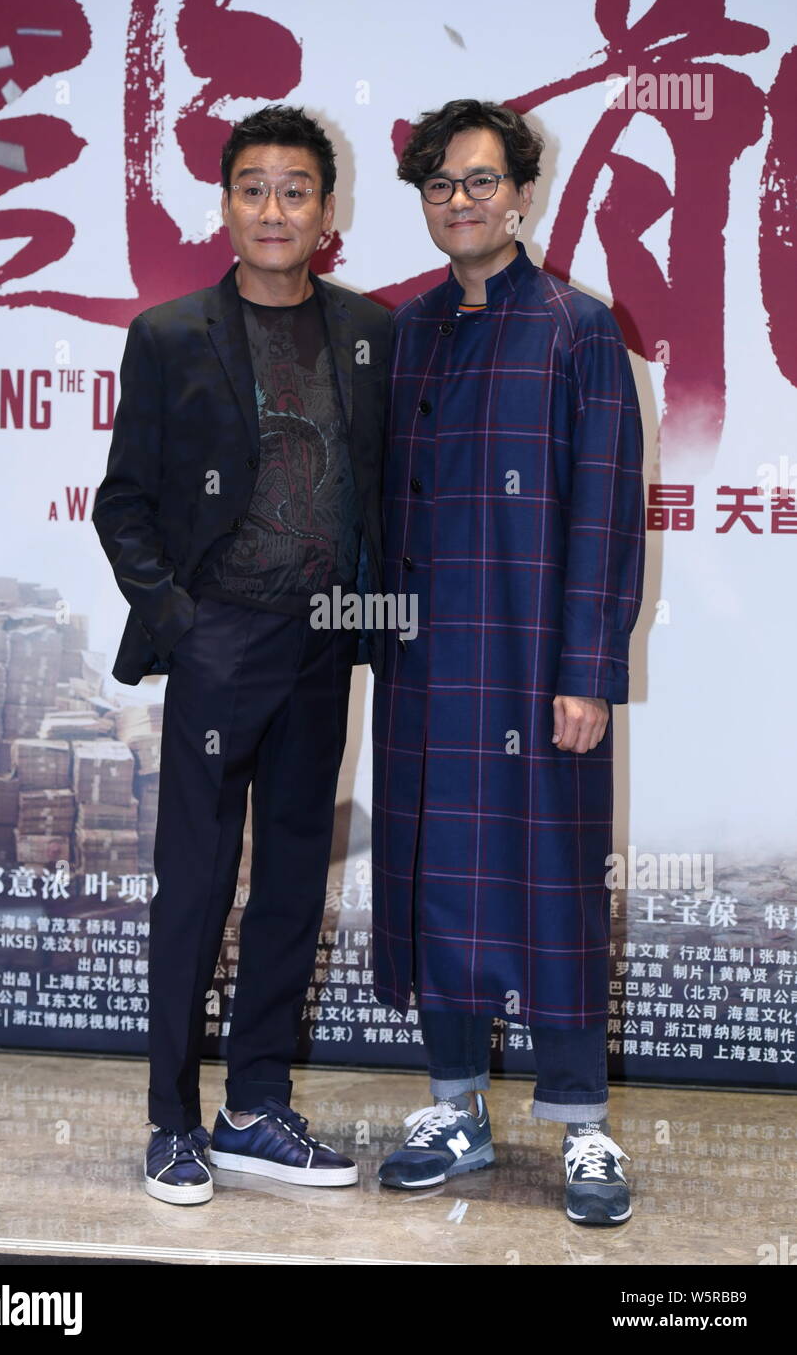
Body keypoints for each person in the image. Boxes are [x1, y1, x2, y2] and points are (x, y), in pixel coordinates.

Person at [93, 105, 391, 1203]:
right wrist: (182, 620)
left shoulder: (370, 333)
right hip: (220, 642)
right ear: (224, 205)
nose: (274, 208)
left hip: (324, 645)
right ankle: (171, 1119)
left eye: (296, 189)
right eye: (253, 188)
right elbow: (122, 504)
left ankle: (253, 1107)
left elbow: (381, 491)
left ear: (326, 210)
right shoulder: (170, 334)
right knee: (196, 885)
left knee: (291, 888)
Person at [371, 98, 645, 1225]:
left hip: (537, 666)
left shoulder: (577, 327)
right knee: (437, 879)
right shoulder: (403, 333)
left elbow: (604, 513)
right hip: (430, 659)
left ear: (520, 193)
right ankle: (454, 1109)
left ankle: (580, 1122)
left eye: (478, 181)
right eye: (438, 185)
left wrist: (586, 670)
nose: (458, 202)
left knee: (551, 890)